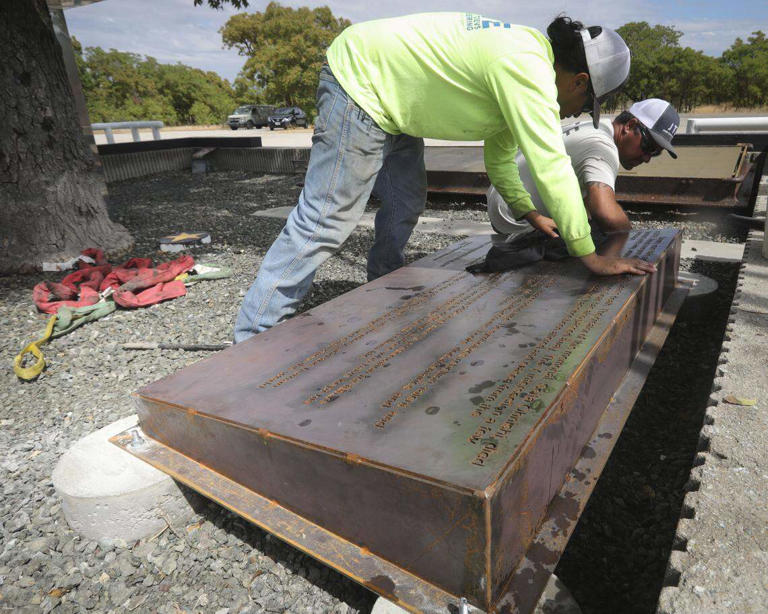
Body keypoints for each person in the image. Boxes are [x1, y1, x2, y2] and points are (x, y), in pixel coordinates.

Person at [235, 12, 653, 342]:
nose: (579, 112)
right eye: (586, 102)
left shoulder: (526, 62)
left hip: (395, 100)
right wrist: (590, 255)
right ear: (579, 80)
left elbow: (502, 156)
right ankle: (253, 338)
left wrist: (528, 213)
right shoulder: (528, 69)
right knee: (326, 218)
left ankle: (382, 281)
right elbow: (551, 165)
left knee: (406, 200)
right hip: (362, 83)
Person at [487, 98, 680, 236]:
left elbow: (590, 202)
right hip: (512, 217)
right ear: (630, 125)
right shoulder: (603, 146)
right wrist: (632, 242)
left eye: (656, 153)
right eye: (648, 147)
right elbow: (606, 213)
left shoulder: (596, 127)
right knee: (604, 238)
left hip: (501, 201)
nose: (647, 158)